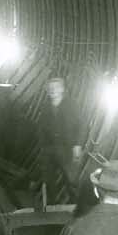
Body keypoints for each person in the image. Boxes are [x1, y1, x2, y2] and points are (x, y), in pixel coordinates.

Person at [37, 76, 88, 207]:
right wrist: (43, 147)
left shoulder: (72, 105)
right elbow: (41, 127)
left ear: (62, 90)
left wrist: (78, 145)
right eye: (50, 88)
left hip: (67, 149)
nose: (53, 90)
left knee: (71, 181)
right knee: (49, 181)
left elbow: (83, 125)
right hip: (49, 149)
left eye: (56, 88)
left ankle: (76, 209)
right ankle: (52, 208)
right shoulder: (45, 107)